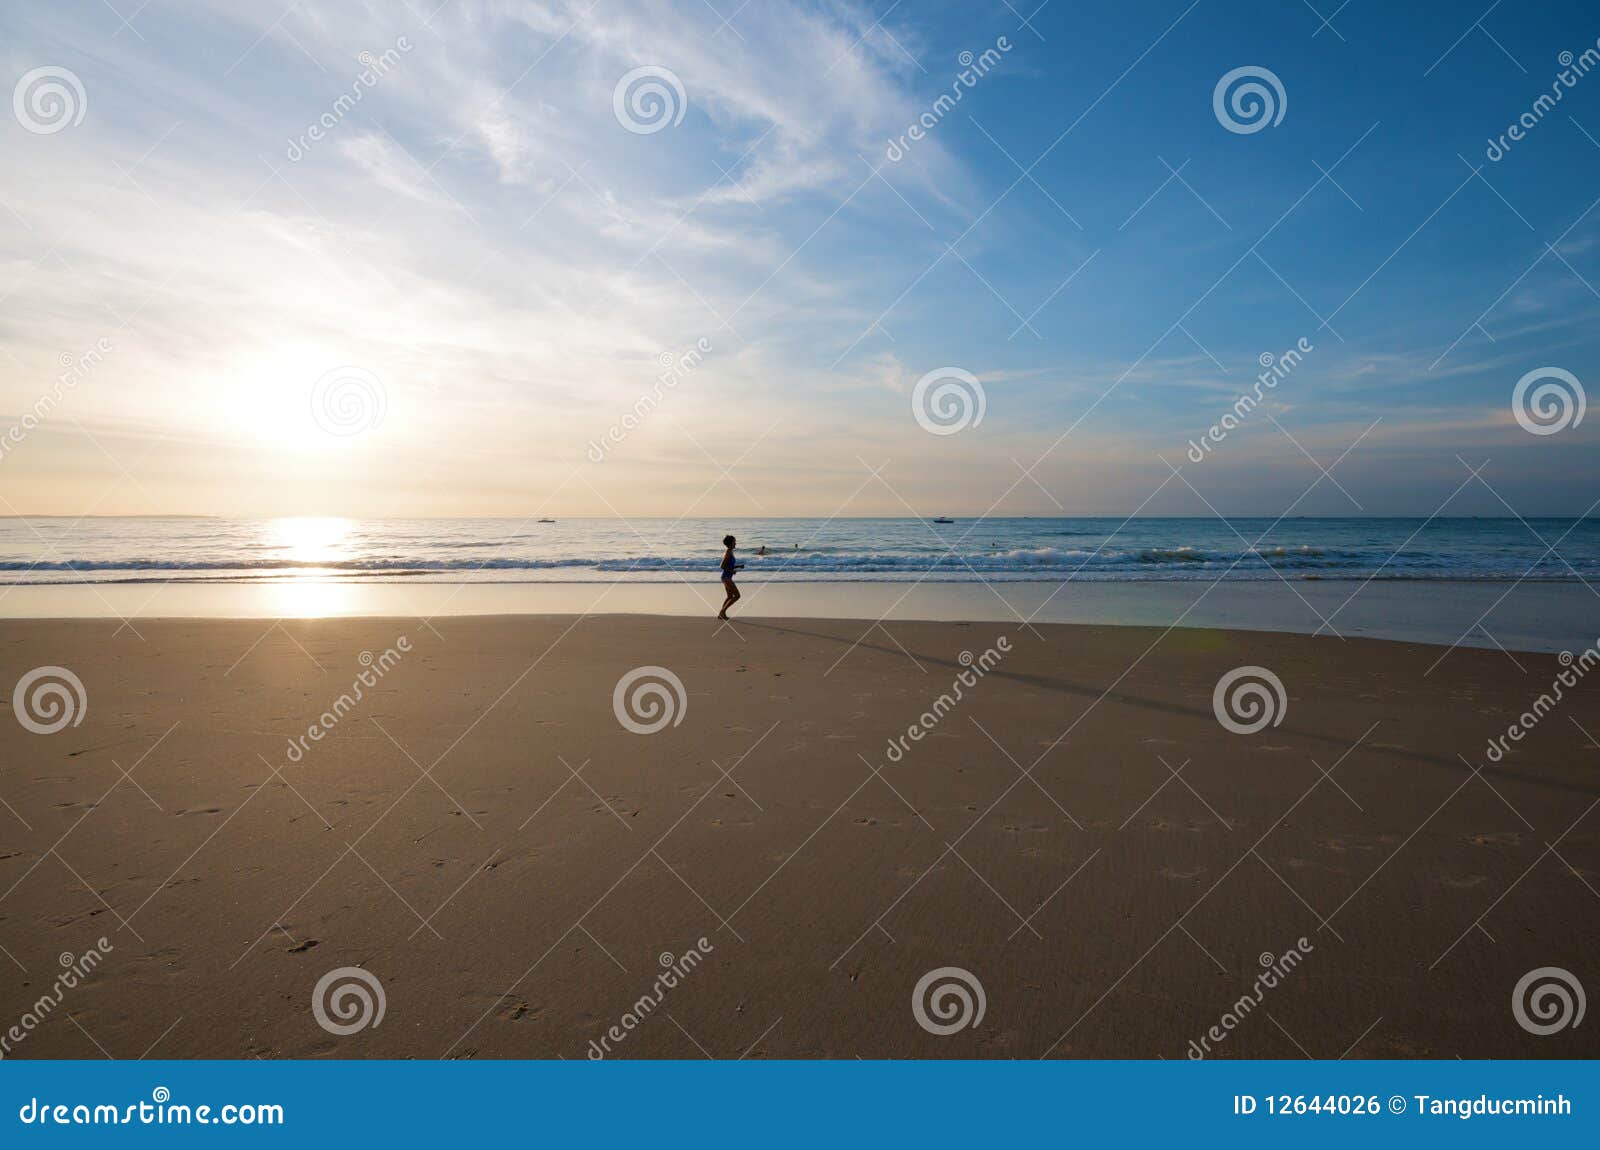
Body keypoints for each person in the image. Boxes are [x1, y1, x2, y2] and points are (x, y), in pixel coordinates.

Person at [718, 534, 743, 620]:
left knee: (729, 597)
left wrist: (738, 566)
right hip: (726, 577)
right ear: (730, 543)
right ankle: (722, 611)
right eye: (734, 541)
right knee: (737, 596)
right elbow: (722, 566)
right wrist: (731, 571)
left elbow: (729, 565)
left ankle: (722, 614)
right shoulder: (728, 552)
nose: (735, 543)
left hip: (726, 577)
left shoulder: (730, 551)